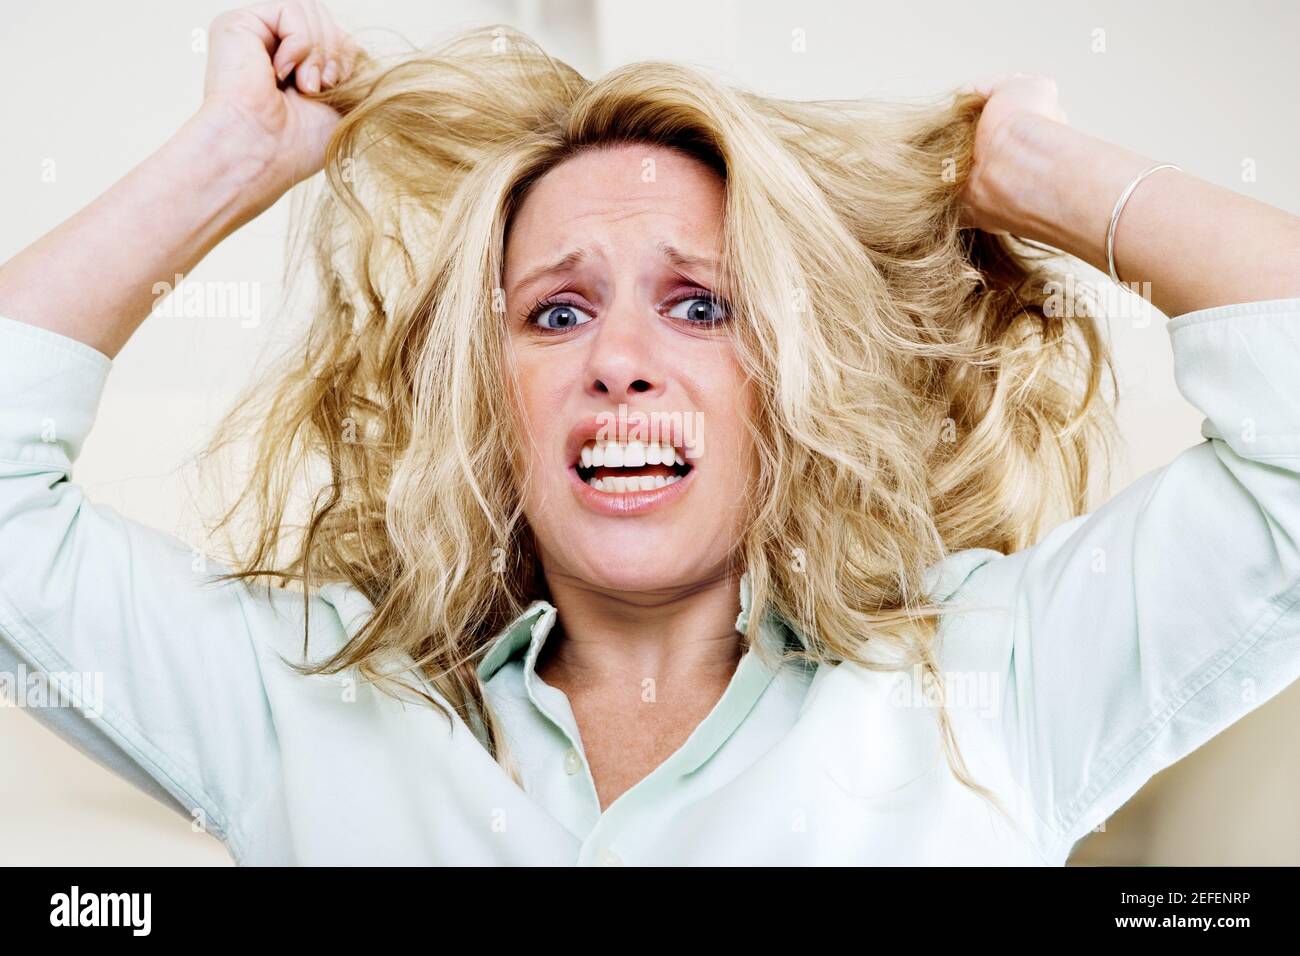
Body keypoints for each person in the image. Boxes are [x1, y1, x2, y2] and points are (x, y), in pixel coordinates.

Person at [0, 0, 1297, 865]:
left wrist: (1037, 173)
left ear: (786, 382)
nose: (620, 361)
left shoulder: (997, 676)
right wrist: (229, 154)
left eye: (700, 304)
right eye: (556, 313)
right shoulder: (304, 701)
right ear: (488, 398)